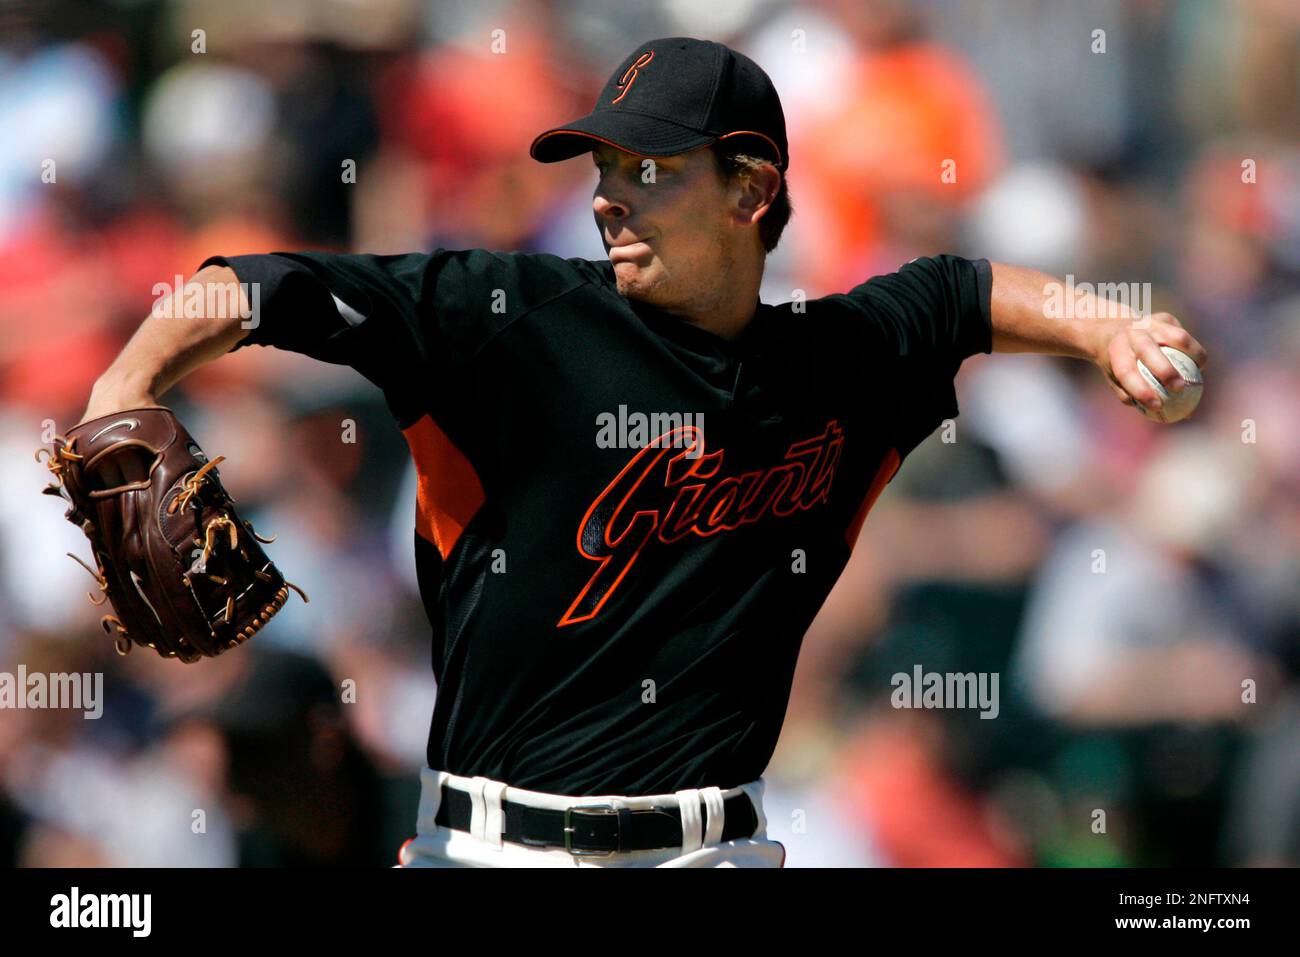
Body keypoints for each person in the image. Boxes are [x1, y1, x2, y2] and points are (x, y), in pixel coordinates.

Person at [74, 37, 1207, 867]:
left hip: (717, 850)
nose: (612, 198)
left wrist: (1105, 325)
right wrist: (126, 384)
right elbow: (267, 287)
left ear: (752, 190)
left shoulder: (833, 363)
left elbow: (960, 296)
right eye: (604, 169)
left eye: (651, 170)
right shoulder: (508, 317)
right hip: (494, 851)